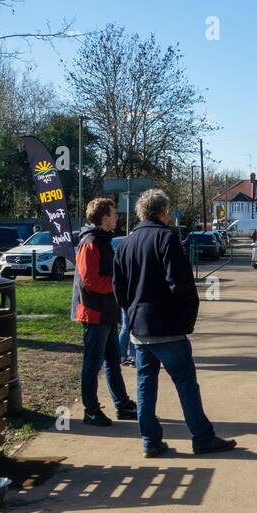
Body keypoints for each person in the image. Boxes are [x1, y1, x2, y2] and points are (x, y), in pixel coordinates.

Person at [114, 188, 237, 458]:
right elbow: (180, 284)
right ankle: (202, 438)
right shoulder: (166, 239)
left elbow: (119, 288)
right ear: (163, 212)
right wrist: (187, 316)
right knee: (185, 384)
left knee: (145, 384)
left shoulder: (125, 243)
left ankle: (150, 441)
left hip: (139, 327)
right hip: (167, 326)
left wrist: (131, 312)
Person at [73, 198, 136, 426]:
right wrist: (118, 282)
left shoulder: (102, 240)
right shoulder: (90, 242)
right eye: (114, 214)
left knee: (112, 361)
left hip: (107, 312)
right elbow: (90, 281)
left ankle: (122, 405)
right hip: (95, 313)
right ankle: (90, 411)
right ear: (104, 217)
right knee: (92, 364)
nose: (117, 217)